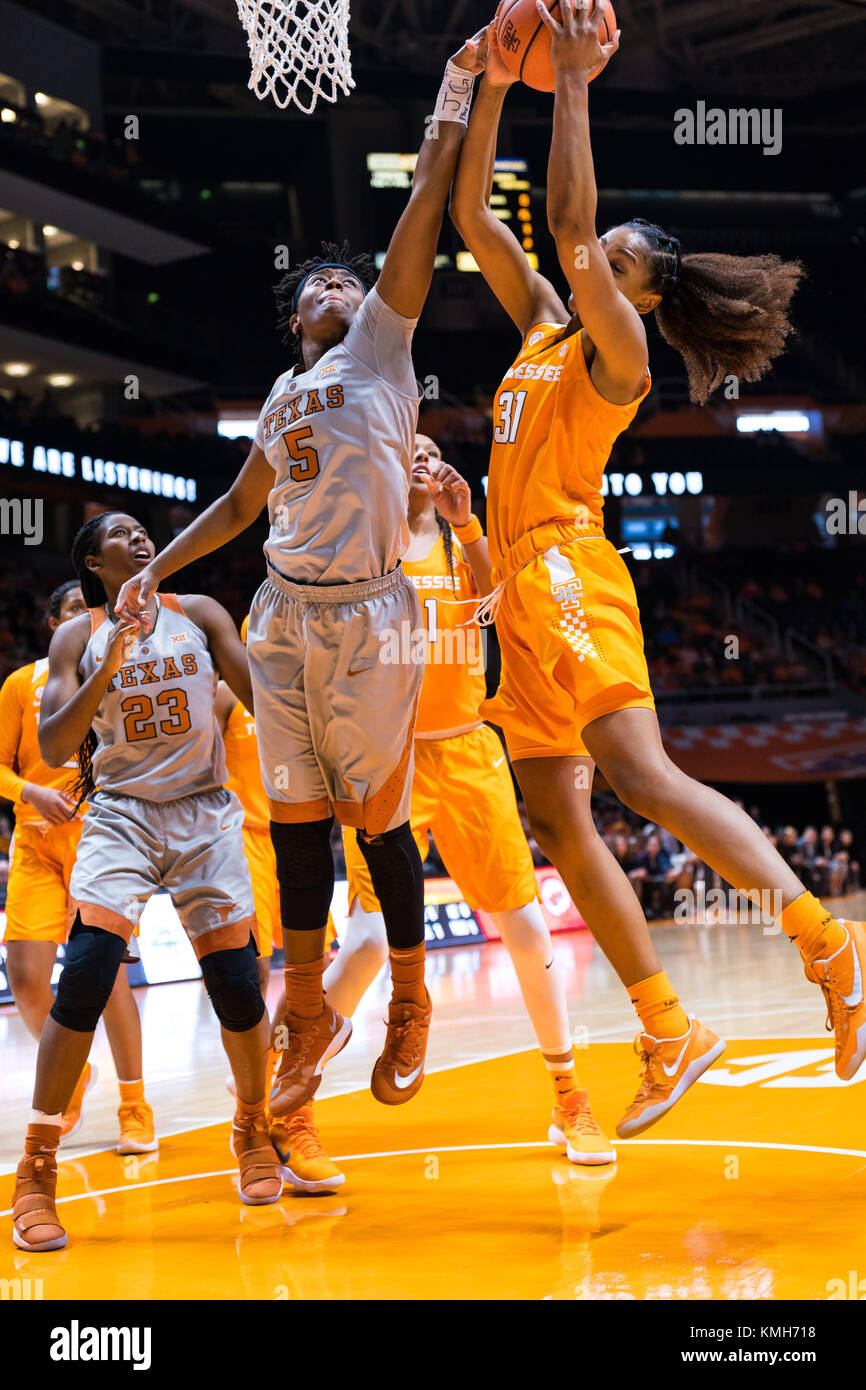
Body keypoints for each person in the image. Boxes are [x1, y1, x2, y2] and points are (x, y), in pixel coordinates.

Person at [449, 0, 866, 1138]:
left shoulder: (618, 353)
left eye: (613, 261)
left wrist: (572, 78)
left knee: (637, 775)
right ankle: (664, 1027)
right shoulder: (541, 326)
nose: (588, 260)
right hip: (515, 601)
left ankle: (821, 940)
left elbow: (569, 224)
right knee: (553, 806)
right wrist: (488, 80)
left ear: (634, 292)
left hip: (566, 572)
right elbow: (472, 212)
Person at [115, 37, 488, 1115]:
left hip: (373, 613)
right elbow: (236, 507)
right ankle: (312, 1011)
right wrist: (153, 578)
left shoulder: (378, 346)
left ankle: (409, 998)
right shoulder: (281, 397)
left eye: (348, 276)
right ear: (293, 318)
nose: (337, 281)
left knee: (377, 823)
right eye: (317, 281)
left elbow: (425, 191)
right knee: (293, 825)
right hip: (279, 614)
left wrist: (460, 80)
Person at [328, 434, 615, 1163]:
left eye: (430, 451)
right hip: (388, 759)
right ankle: (286, 1084)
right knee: (363, 942)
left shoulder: (461, 547)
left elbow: (505, 612)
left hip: (466, 749)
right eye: (408, 452)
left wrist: (469, 524)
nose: (421, 458)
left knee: (525, 929)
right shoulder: (369, 543)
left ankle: (569, 1096)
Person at [11, 513, 280, 1254]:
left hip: (205, 809)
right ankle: (37, 1167)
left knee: (235, 979)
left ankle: (252, 1128)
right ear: (94, 561)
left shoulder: (199, 614)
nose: (137, 538)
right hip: (122, 812)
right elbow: (57, 744)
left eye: (141, 530)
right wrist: (110, 657)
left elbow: (262, 701)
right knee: (88, 974)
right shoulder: (77, 636)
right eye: (119, 534)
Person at [0, 579, 153, 1151]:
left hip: (101, 839)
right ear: (53, 624)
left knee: (107, 976)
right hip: (37, 842)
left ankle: (135, 1104)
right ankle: (75, 1071)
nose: (84, 618)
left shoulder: (128, 667)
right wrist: (30, 795)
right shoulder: (21, 683)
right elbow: (2, 767)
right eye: (72, 610)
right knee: (26, 980)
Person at [216, 617, 343, 1193]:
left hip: (302, 844)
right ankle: (269, 1124)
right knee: (253, 985)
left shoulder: (313, 685)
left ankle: (291, 1116)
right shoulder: (223, 690)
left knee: (307, 991)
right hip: (240, 842)